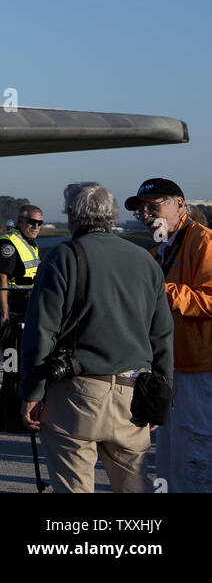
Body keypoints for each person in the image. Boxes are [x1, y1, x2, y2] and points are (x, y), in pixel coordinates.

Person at [20, 183, 173, 493]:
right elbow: (162, 336)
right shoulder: (146, 261)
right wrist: (161, 399)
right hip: (133, 396)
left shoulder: (63, 256)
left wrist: (31, 392)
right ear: (111, 216)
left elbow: (41, 331)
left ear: (74, 216)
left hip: (76, 396)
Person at [126, 177, 212, 493]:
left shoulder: (204, 243)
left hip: (199, 370)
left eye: (153, 206)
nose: (146, 215)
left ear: (179, 204)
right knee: (169, 455)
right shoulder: (159, 250)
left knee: (195, 454)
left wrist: (161, 291)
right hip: (168, 368)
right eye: (142, 210)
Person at [0, 206, 43, 432]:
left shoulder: (30, 244)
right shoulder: (8, 244)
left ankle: (16, 416)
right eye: (31, 222)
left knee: (23, 367)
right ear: (20, 221)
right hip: (12, 315)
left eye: (40, 223)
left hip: (27, 314)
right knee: (12, 368)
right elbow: (1, 279)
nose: (36, 227)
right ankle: (8, 419)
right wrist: (4, 317)